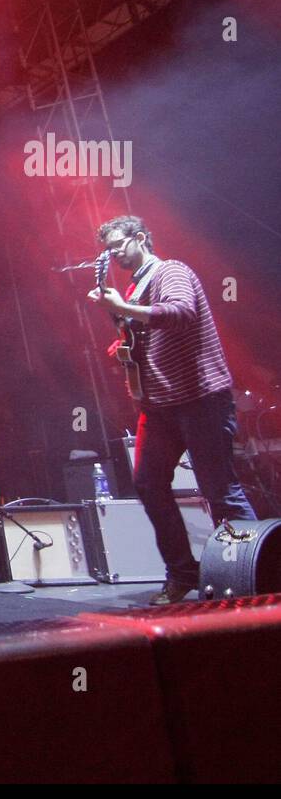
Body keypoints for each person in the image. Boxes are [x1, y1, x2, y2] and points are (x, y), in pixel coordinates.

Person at [89, 215, 256, 604]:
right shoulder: (134, 287)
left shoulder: (171, 271)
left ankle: (257, 573)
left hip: (200, 399)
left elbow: (181, 313)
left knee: (220, 491)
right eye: (108, 250)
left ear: (141, 238)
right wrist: (123, 344)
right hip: (160, 406)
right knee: (148, 484)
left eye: (118, 246)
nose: (114, 255)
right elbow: (146, 334)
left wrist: (125, 310)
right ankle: (183, 573)